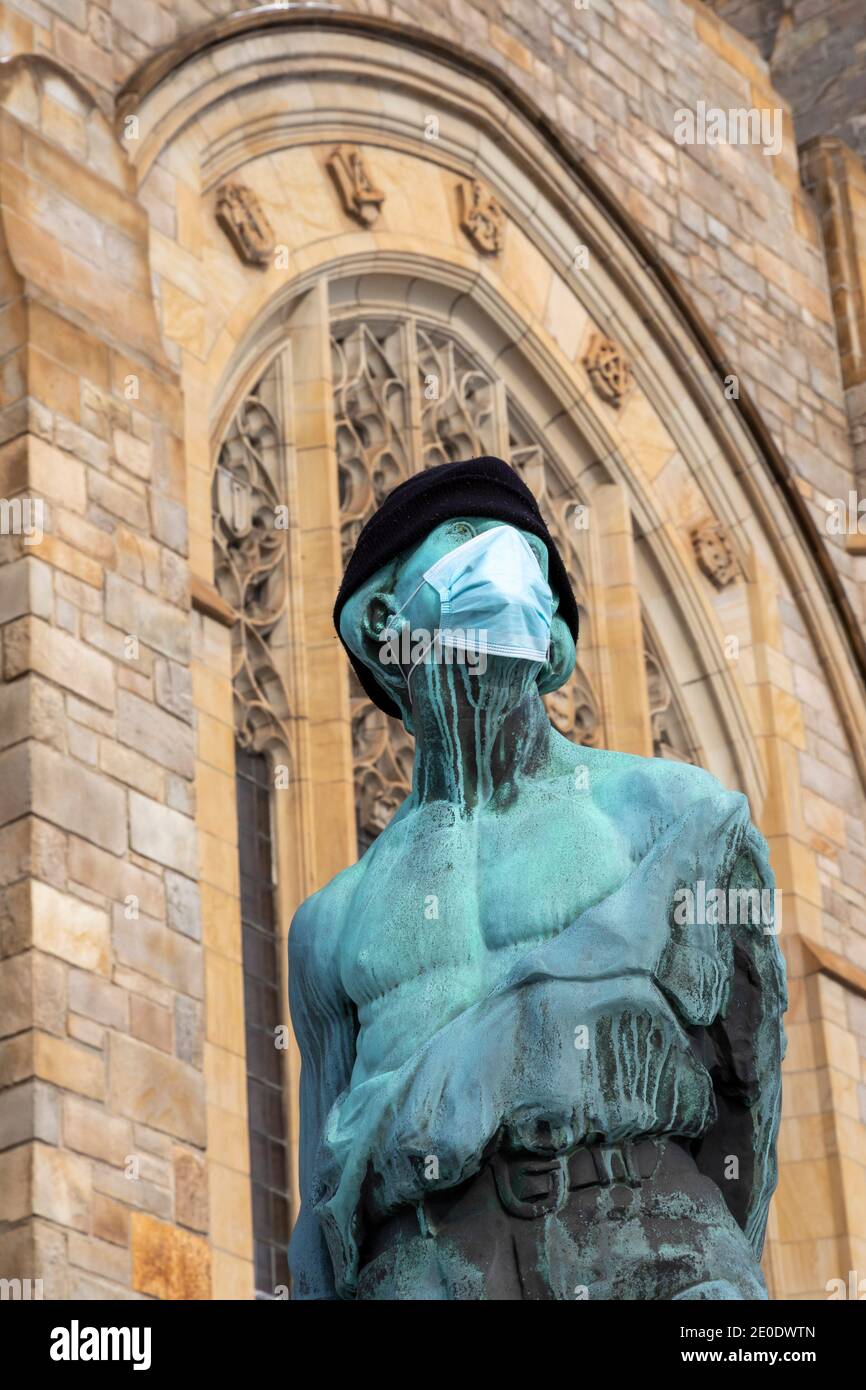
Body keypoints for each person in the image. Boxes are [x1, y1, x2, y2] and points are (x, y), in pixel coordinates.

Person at [288, 456, 787, 1301]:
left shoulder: (672, 814)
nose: (505, 569)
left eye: (530, 562)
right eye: (469, 540)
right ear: (382, 622)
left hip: (660, 1234)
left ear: (552, 638)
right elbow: (325, 1210)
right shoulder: (331, 924)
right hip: (426, 1268)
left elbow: (750, 1088)